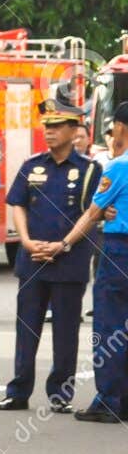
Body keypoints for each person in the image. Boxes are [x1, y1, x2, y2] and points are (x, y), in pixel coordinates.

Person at [0, 101, 98, 414]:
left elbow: (93, 214)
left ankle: (60, 394)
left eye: (57, 126)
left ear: (73, 130)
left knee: (66, 331)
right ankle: (18, 391)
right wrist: (25, 241)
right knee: (27, 328)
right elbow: (17, 204)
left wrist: (63, 245)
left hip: (69, 261)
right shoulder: (32, 166)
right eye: (47, 126)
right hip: (33, 261)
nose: (50, 132)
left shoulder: (89, 170)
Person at [55, 138, 128, 423]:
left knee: (110, 326)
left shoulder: (119, 165)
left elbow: (94, 211)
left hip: (121, 249)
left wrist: (65, 243)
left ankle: (110, 401)